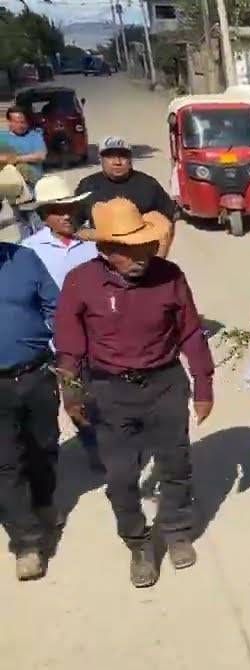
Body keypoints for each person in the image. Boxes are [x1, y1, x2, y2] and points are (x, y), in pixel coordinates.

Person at [53, 198, 215, 588]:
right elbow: (70, 346)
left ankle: (176, 531)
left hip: (165, 384)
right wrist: (71, 394)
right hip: (108, 391)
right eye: (128, 250)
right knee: (122, 475)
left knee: (175, 464)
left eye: (144, 245)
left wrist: (204, 386)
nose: (140, 256)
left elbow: (191, 332)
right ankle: (138, 543)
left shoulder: (170, 276)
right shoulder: (81, 281)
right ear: (105, 251)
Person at [19, 175, 103, 473]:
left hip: (101, 337)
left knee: (107, 394)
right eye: (57, 209)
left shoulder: (93, 244)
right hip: (61, 345)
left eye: (70, 207)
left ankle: (117, 445)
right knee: (74, 401)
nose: (66, 215)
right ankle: (93, 446)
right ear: (43, 216)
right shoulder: (28, 251)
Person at [0, 235, 60, 581]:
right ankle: (26, 543)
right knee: (5, 464)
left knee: (43, 447)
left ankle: (43, 505)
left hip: (36, 373)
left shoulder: (25, 259)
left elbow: (54, 305)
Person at [74, 136, 179, 257]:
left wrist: (159, 259)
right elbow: (74, 224)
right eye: (110, 157)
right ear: (101, 159)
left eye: (123, 156)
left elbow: (168, 223)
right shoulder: (87, 185)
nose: (117, 162)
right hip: (102, 255)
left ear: (130, 160)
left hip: (141, 256)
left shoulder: (148, 184)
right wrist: (91, 236)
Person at [0, 107, 48, 239]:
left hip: (35, 183)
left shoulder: (35, 135)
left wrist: (16, 158)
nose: (21, 125)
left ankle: (44, 242)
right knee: (22, 220)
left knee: (38, 217)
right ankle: (28, 245)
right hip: (13, 186)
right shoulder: (1, 137)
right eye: (17, 122)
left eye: (23, 122)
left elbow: (41, 155)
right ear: (9, 122)